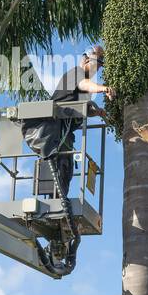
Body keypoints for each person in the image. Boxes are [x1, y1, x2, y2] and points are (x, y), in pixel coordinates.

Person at [21, 46, 109, 199]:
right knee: (57, 169)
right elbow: (83, 84)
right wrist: (104, 89)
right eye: (98, 63)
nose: (99, 69)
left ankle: (60, 202)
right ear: (87, 59)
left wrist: (96, 112)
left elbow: (81, 108)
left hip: (64, 135)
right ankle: (57, 203)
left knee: (65, 171)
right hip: (53, 131)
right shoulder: (76, 73)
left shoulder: (84, 86)